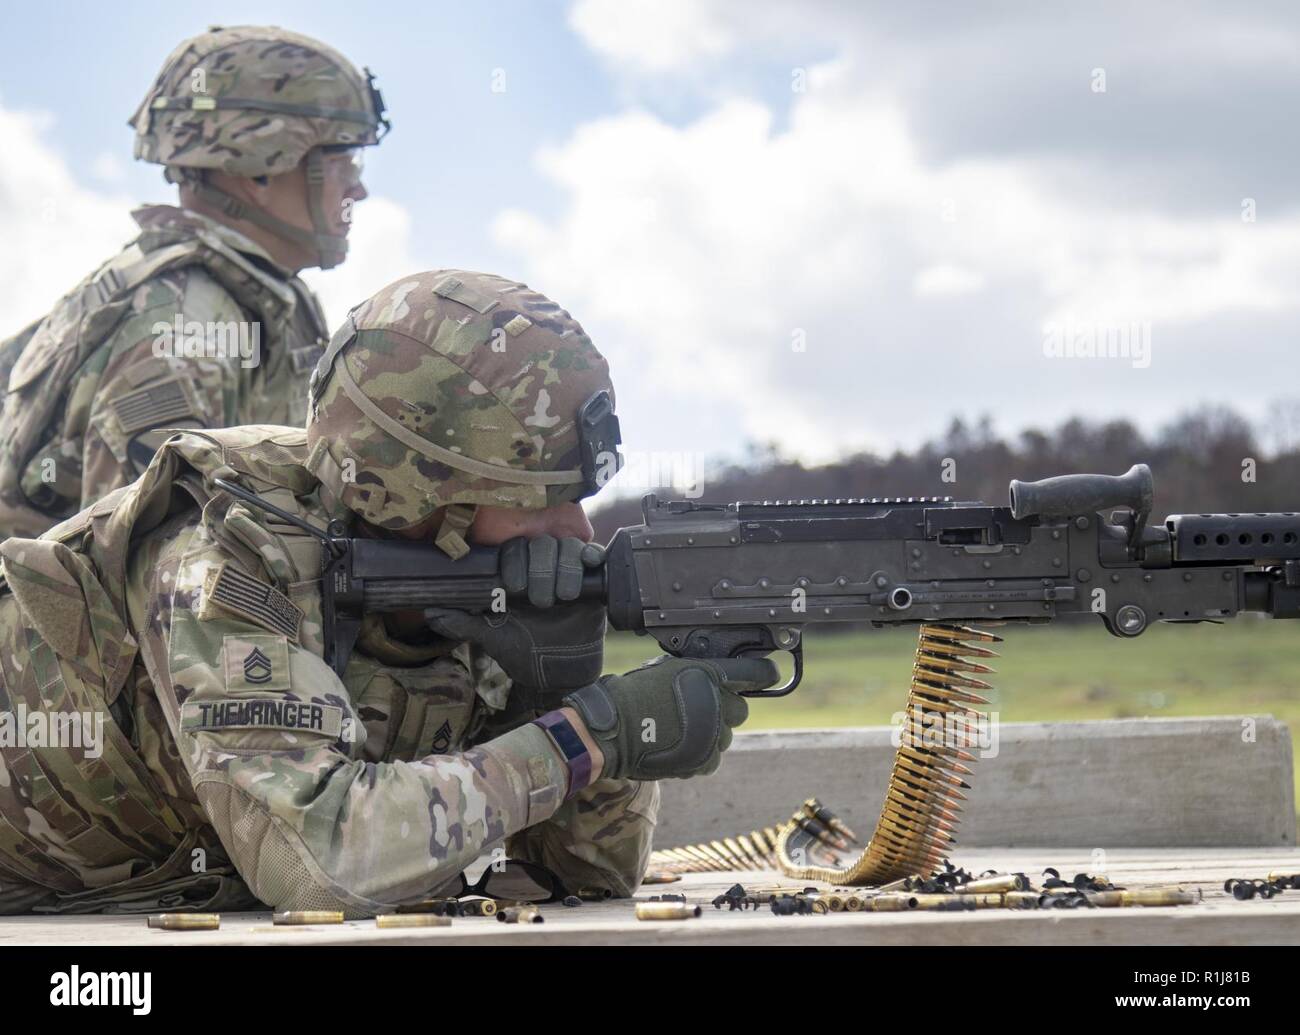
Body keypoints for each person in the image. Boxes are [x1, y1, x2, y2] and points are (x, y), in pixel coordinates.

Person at [0, 270, 775, 915]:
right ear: (424, 494)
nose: (576, 529)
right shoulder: (224, 562)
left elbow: (588, 877)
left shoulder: (479, 573)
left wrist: (563, 680)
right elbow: (320, 865)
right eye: (542, 495)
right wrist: (587, 736)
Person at [0, 24, 389, 540]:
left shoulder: (252, 299)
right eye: (343, 158)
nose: (358, 188)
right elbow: (137, 576)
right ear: (260, 169)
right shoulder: (187, 326)